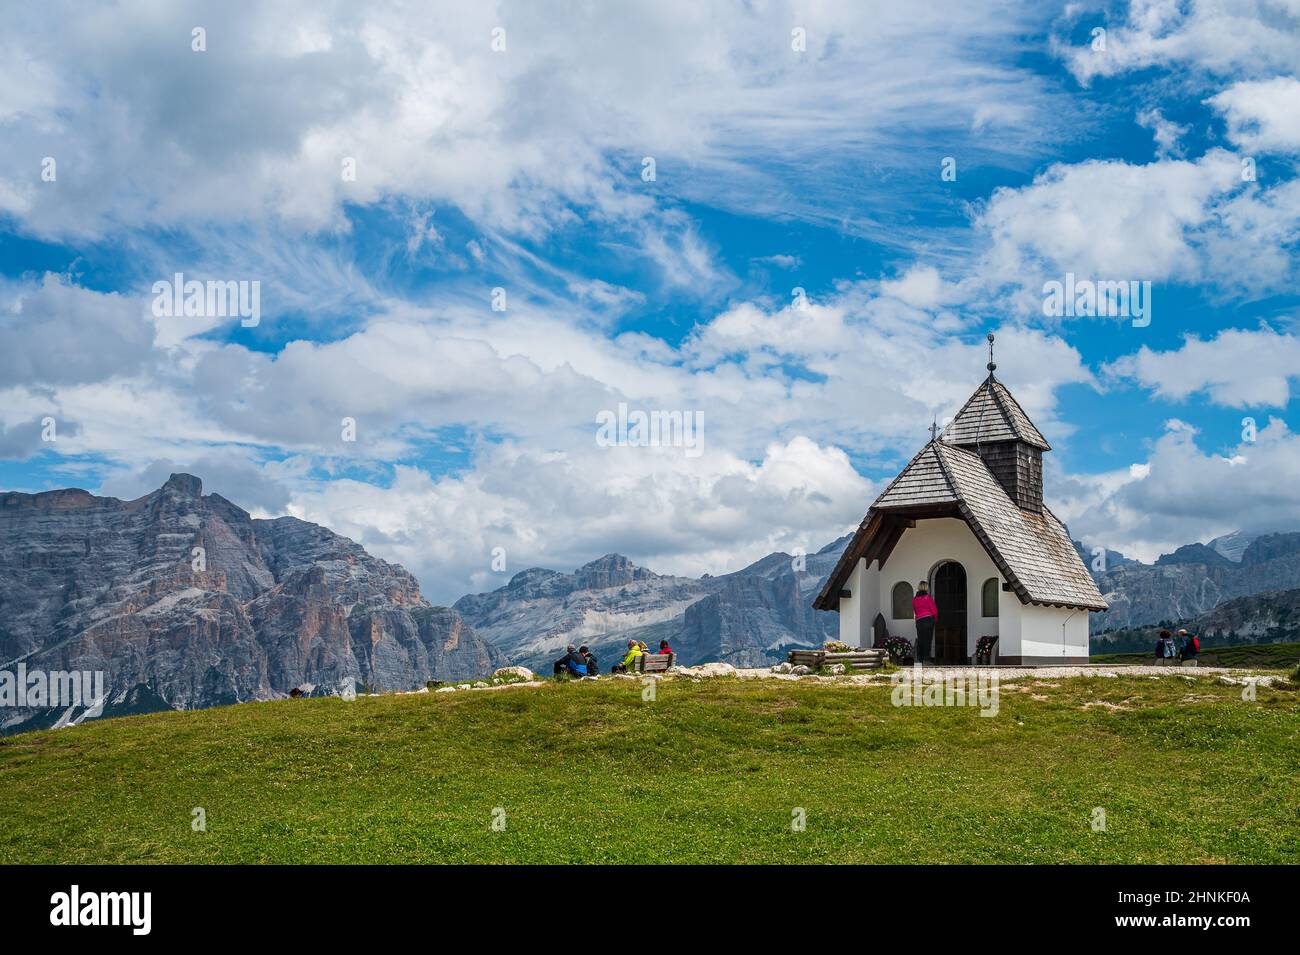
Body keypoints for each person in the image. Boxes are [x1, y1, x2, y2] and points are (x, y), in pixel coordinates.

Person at [912, 580, 938, 663]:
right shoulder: (928, 598)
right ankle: (926, 658)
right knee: (928, 639)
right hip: (928, 620)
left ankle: (920, 658)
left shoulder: (915, 599)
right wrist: (935, 619)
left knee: (920, 639)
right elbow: (934, 611)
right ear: (926, 588)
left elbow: (915, 611)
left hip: (919, 620)